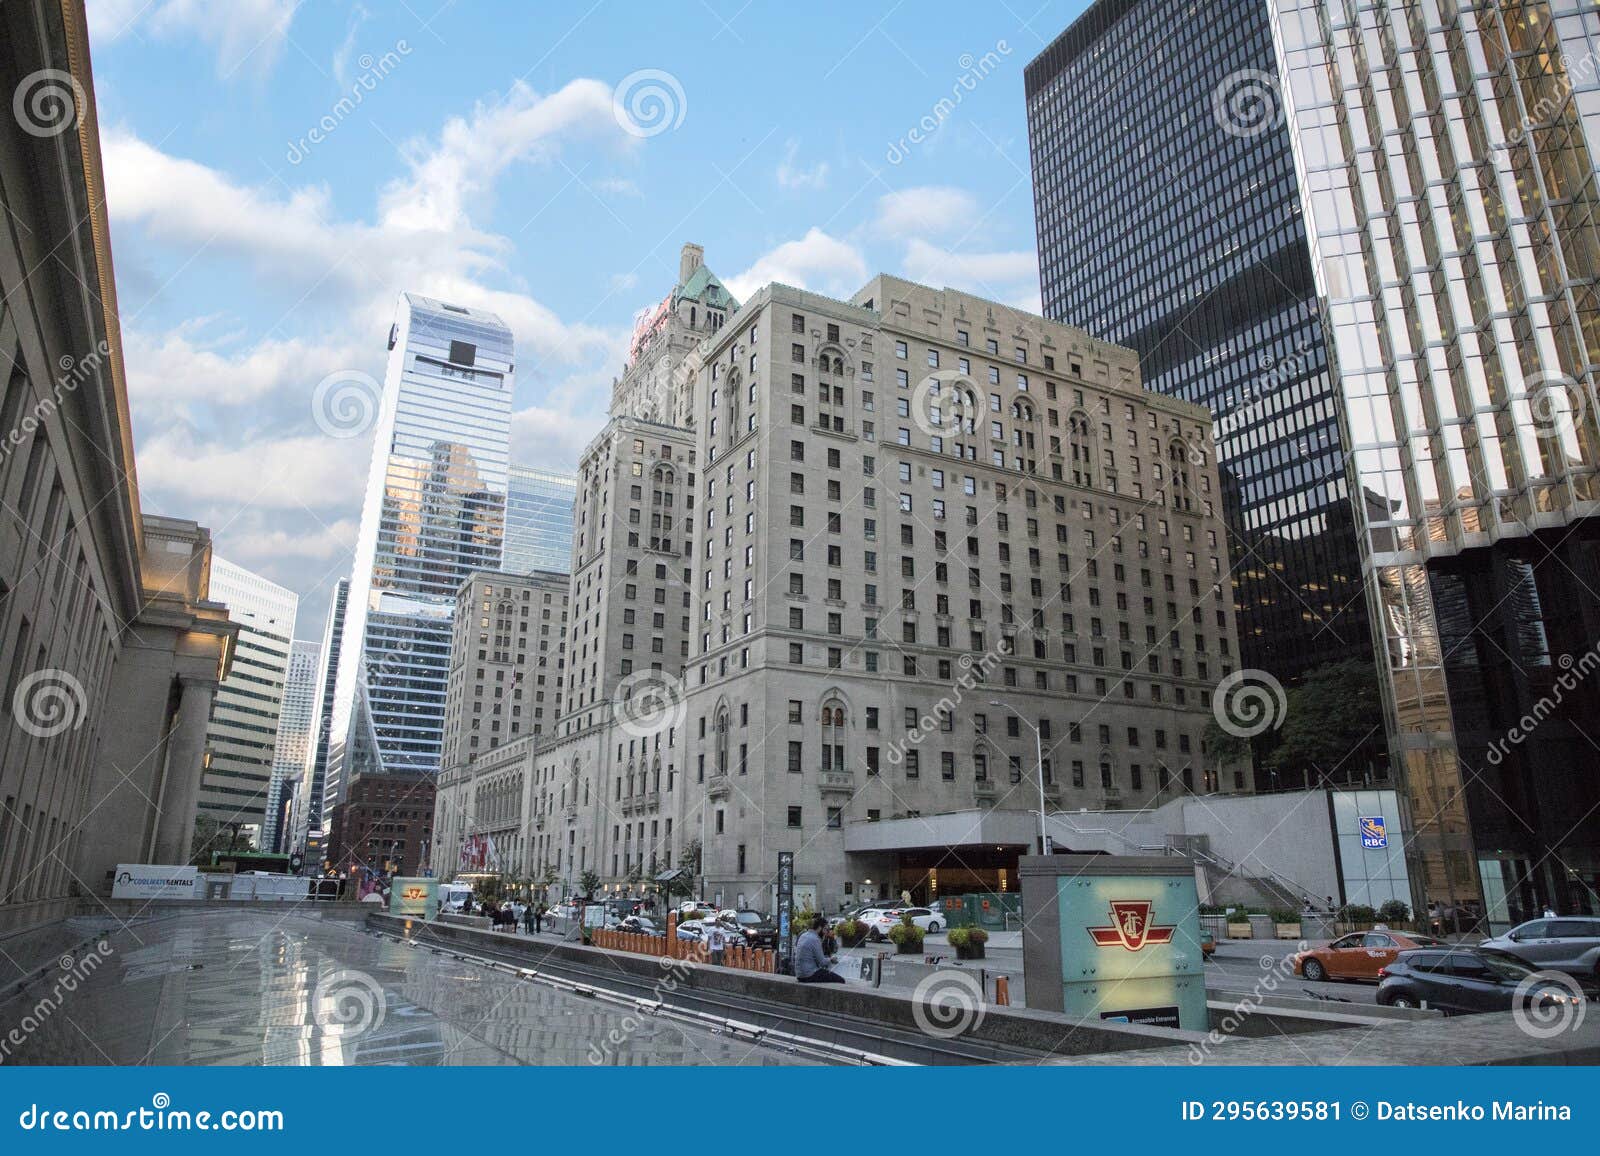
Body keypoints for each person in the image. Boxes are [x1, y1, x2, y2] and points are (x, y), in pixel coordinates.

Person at [795, 915, 845, 984]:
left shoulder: (803, 935)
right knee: (841, 980)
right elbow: (822, 962)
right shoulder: (815, 939)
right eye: (825, 929)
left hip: (799, 975)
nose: (826, 932)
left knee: (826, 973)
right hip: (809, 975)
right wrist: (831, 959)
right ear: (819, 928)